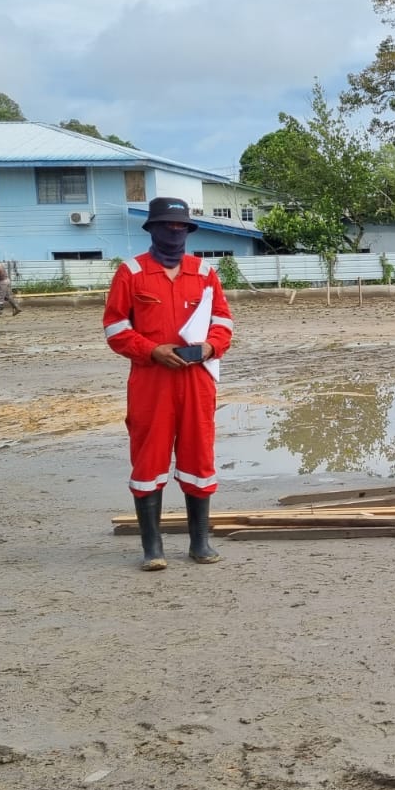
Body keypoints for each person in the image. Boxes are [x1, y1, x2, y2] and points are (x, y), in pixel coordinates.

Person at [102, 197, 233, 571]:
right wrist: (151, 350)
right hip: (151, 380)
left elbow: (223, 320)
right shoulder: (131, 273)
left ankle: (200, 543)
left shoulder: (205, 273)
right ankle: (152, 548)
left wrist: (211, 345)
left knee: (199, 455)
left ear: (188, 231)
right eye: (167, 227)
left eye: (181, 228)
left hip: (197, 380)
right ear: (152, 230)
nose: (174, 234)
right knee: (149, 457)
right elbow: (115, 327)